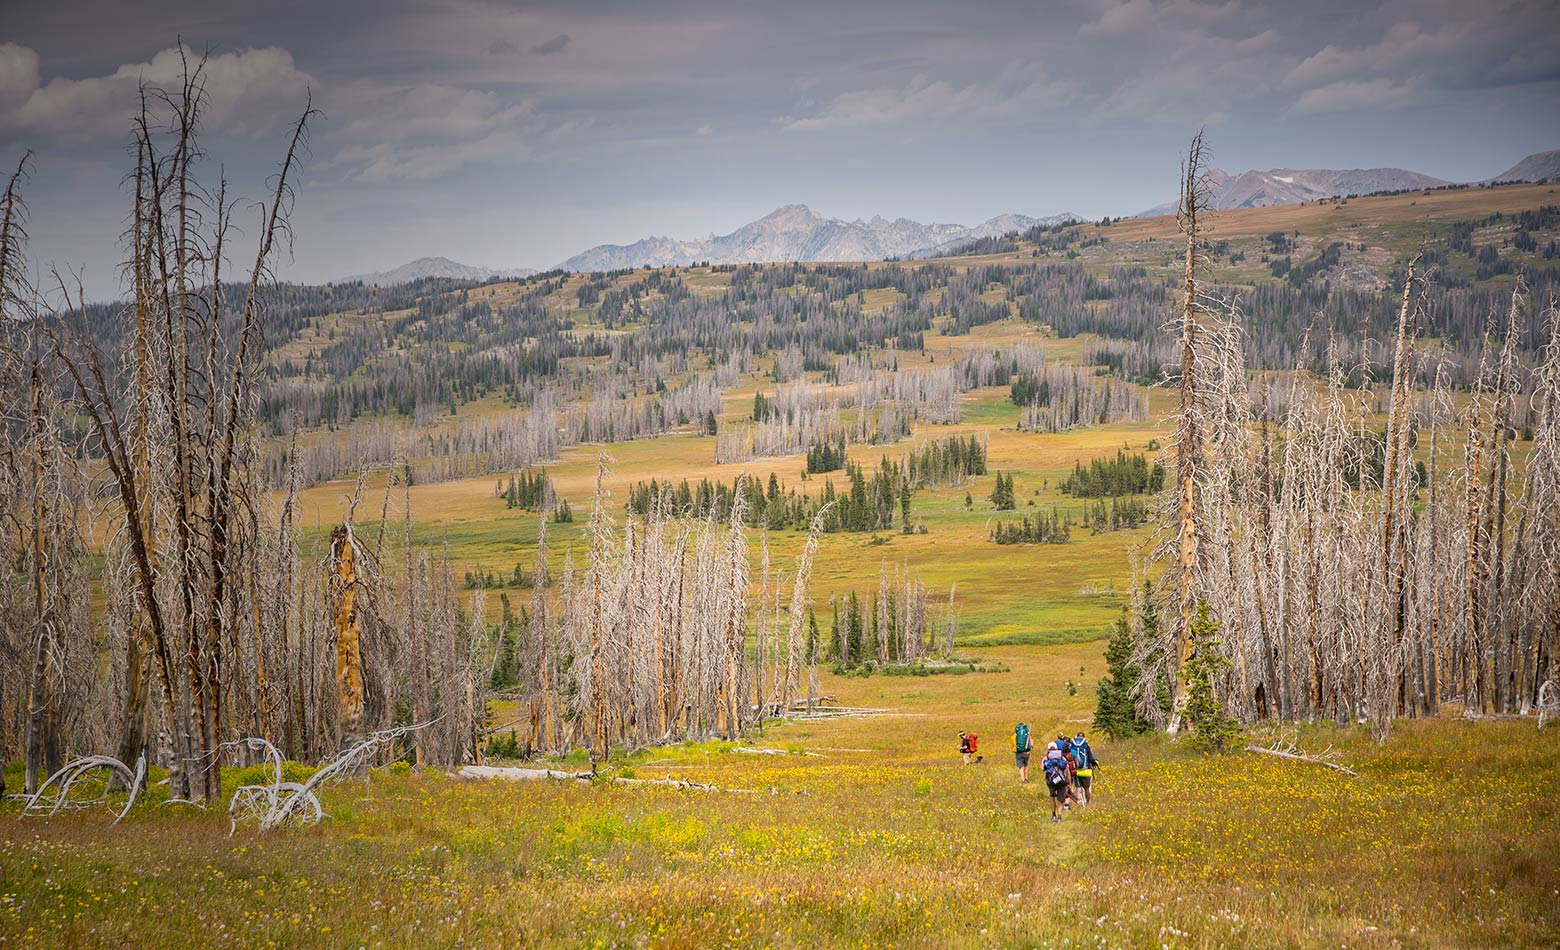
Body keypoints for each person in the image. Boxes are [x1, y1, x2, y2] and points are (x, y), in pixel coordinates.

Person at [1042, 743, 1070, 822]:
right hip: (1062, 780)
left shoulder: (1046, 757)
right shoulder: (1062, 757)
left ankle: (1053, 815)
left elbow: (1042, 768)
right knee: (1060, 798)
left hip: (1051, 780)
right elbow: (1067, 769)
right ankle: (1059, 817)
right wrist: (1069, 782)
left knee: (1052, 796)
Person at [1068, 731, 1099, 805]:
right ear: (1084, 737)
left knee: (1078, 788)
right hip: (1086, 769)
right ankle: (1087, 803)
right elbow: (1091, 756)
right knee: (1086, 788)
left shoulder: (1072, 744)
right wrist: (1095, 762)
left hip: (1076, 770)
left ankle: (1079, 804)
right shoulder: (1086, 744)